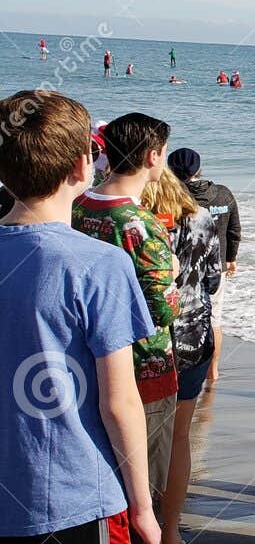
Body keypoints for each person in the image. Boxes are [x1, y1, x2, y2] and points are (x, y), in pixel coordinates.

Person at [0, 90, 163, 544]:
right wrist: (142, 506)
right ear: (81, 166)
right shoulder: (97, 264)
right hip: (73, 495)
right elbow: (120, 402)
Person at [73, 113, 180, 518]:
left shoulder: (79, 205)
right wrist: (174, 280)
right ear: (153, 156)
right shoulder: (140, 225)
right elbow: (161, 309)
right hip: (142, 366)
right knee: (143, 474)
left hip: (87, 357)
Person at [141, 168, 222, 544]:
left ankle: (136, 531)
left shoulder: (137, 224)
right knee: (178, 438)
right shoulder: (201, 219)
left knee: (136, 437)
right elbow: (213, 279)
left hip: (145, 343)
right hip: (192, 338)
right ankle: (170, 533)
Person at [168, 149, 240, 383]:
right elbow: (234, 229)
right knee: (214, 320)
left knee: (180, 320)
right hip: (215, 266)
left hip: (182, 268)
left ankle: (179, 370)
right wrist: (230, 257)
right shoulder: (222, 194)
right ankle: (213, 371)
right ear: (199, 169)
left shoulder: (174, 196)